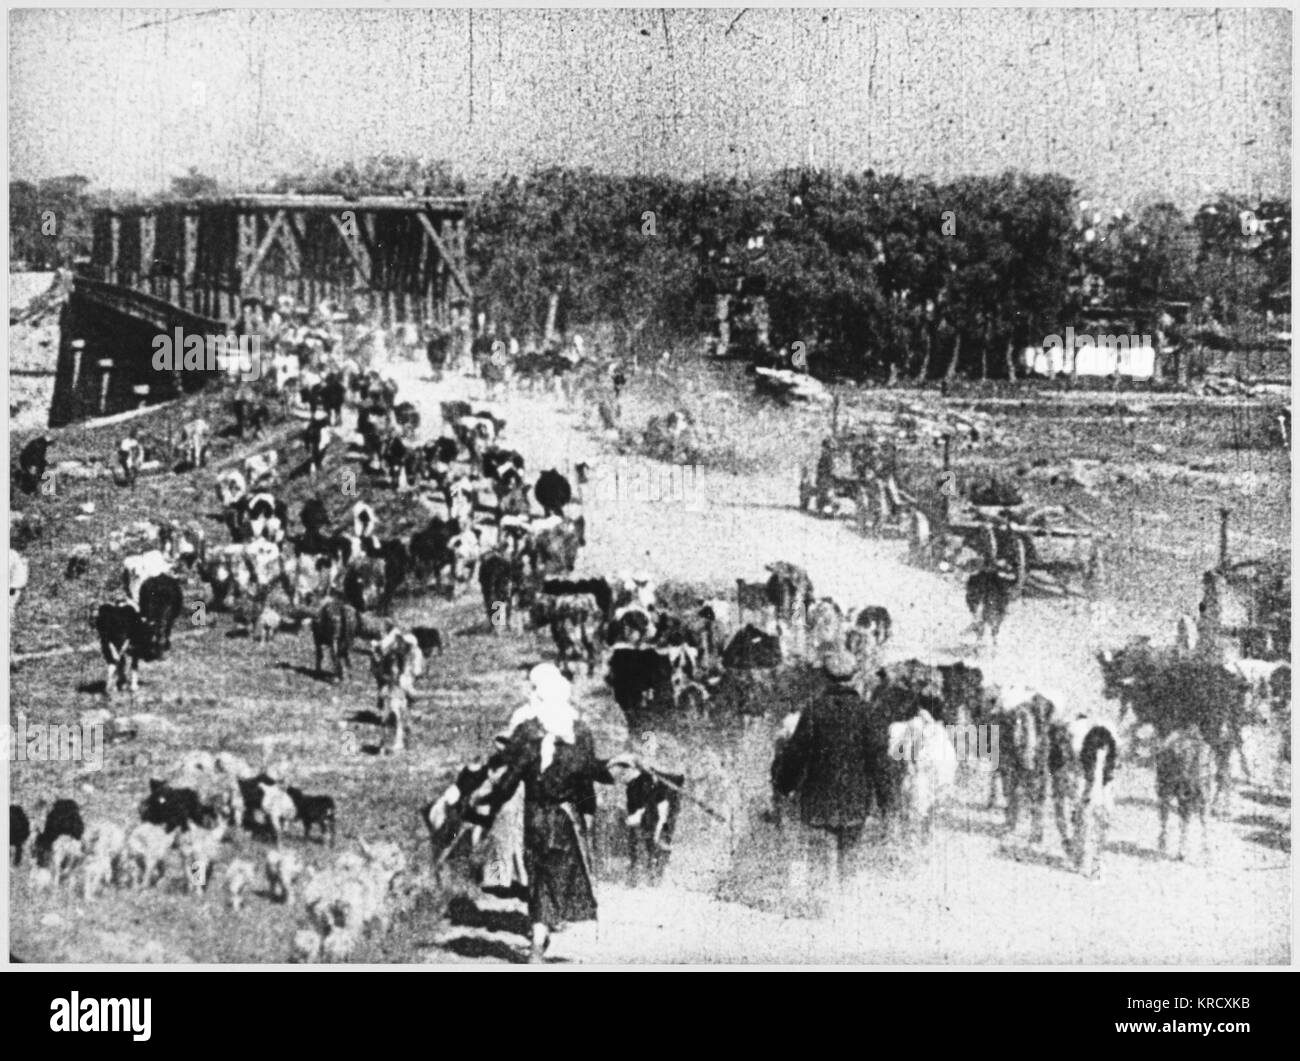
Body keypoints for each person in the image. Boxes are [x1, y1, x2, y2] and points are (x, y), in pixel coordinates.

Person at [485, 663, 616, 962]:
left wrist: (492, 800)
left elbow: (510, 774)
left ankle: (537, 938)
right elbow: (588, 771)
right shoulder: (577, 731)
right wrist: (608, 772)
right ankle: (542, 935)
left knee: (539, 877)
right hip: (563, 818)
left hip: (533, 816)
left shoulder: (528, 730)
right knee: (559, 875)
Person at [772, 650, 882, 888]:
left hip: (818, 795)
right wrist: (886, 799)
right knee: (849, 851)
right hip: (856, 798)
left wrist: (784, 785)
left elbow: (796, 753)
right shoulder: (867, 712)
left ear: (825, 678)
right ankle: (846, 901)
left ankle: (819, 900)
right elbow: (879, 759)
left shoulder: (814, 710)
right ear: (854, 678)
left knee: (819, 848)